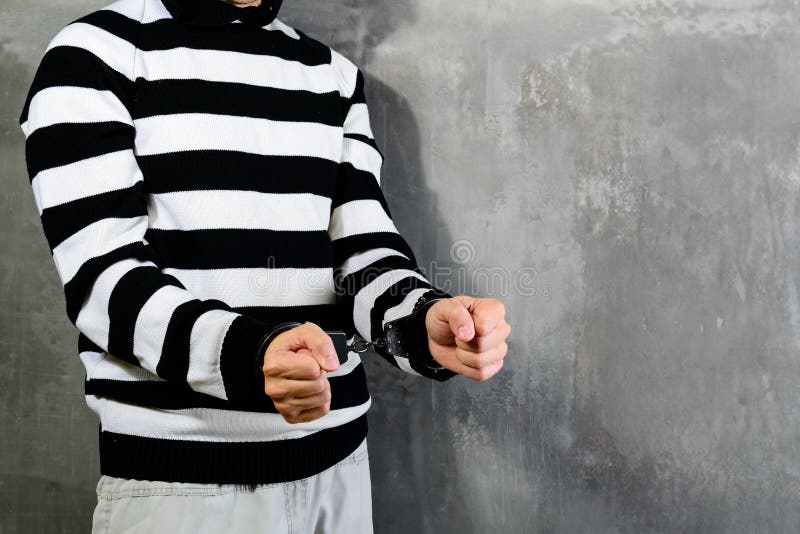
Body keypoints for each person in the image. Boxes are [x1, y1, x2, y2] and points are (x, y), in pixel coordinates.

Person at [17, 0, 512, 531]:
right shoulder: (94, 54)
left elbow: (363, 257)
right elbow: (103, 279)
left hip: (339, 473)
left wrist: (421, 323)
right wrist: (252, 356)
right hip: (185, 490)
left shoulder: (332, 75)